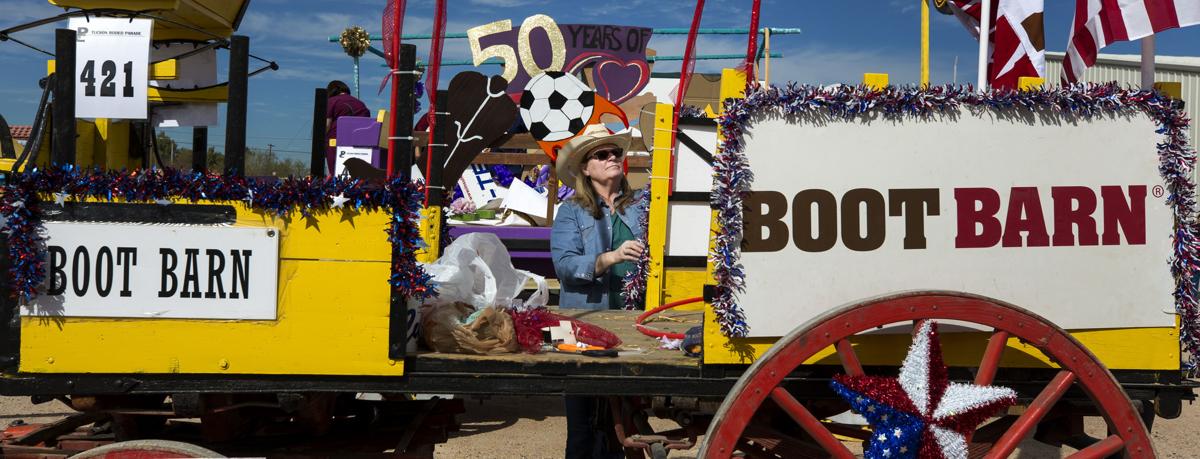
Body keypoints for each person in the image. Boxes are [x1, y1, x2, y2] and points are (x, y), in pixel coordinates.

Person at [549, 124, 646, 459]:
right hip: (579, 325)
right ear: (585, 169)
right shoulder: (570, 211)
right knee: (582, 428)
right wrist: (610, 257)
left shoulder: (643, 206)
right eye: (601, 155)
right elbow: (564, 266)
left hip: (632, 324)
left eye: (615, 152)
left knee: (625, 423)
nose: (611, 158)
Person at [325, 80, 370, 174]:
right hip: (361, 145)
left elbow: (326, 125)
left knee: (336, 173)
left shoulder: (331, 101)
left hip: (337, 143)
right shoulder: (361, 104)